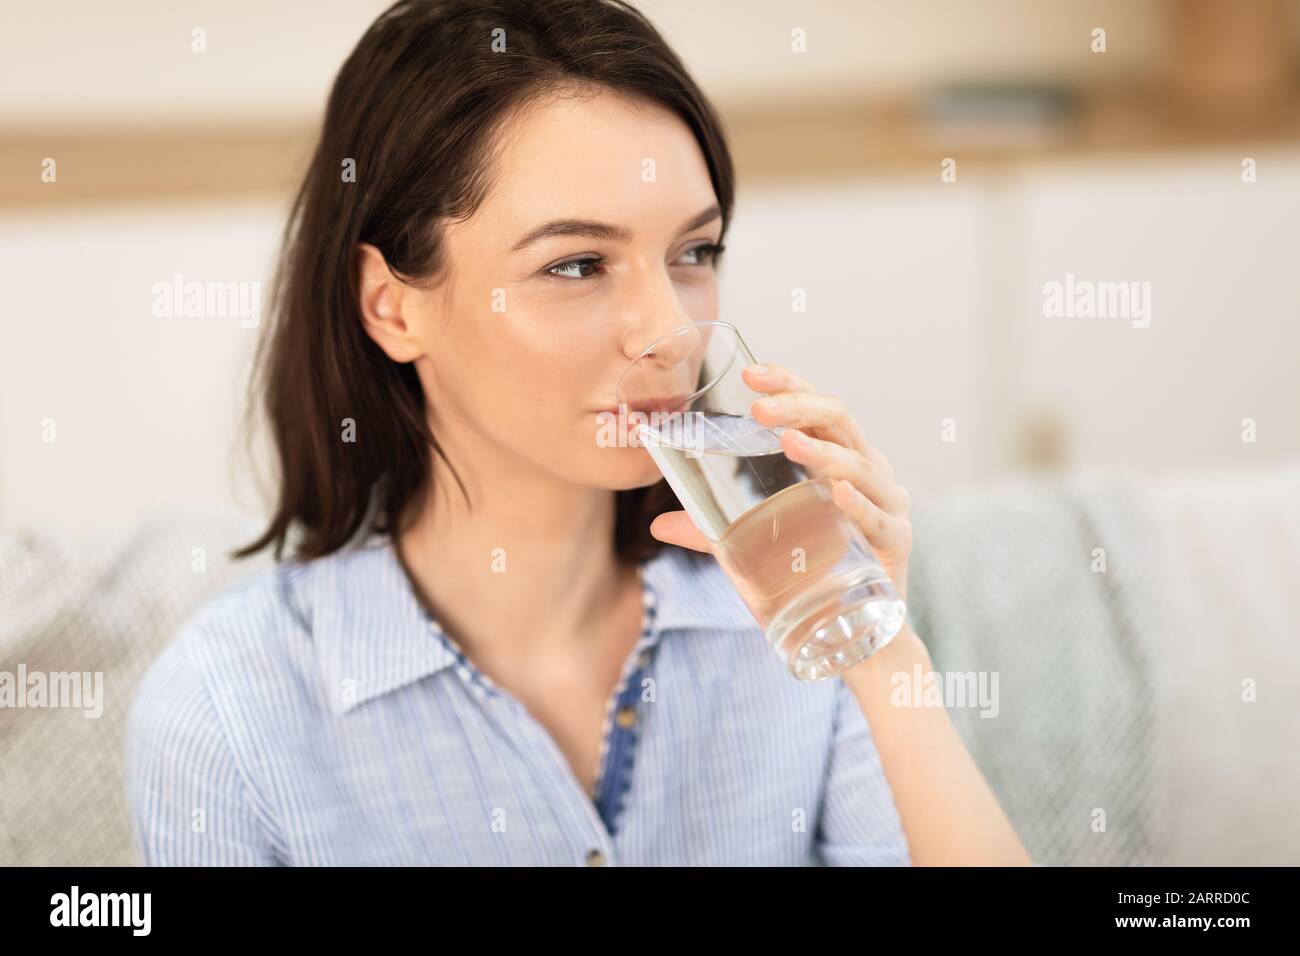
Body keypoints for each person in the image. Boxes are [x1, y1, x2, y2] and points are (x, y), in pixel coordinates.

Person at [127, 0, 1030, 866]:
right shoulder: (226, 715)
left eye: (694, 253)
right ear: (391, 306)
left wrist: (880, 650)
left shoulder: (793, 615)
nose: (661, 329)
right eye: (575, 264)